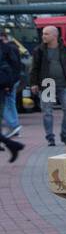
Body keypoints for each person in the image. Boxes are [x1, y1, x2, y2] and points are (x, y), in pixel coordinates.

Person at [29, 24, 66, 147]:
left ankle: (65, 134)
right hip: (47, 85)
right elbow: (34, 68)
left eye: (46, 34)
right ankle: (50, 138)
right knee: (47, 112)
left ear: (55, 35)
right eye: (43, 34)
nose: (43, 36)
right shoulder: (39, 50)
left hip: (64, 85)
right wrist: (34, 83)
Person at [0, 29, 23, 162]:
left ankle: (14, 128)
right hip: (8, 83)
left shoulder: (6, 49)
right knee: (10, 104)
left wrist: (10, 83)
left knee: (8, 105)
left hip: (6, 83)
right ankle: (12, 143)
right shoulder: (9, 47)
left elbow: (10, 66)